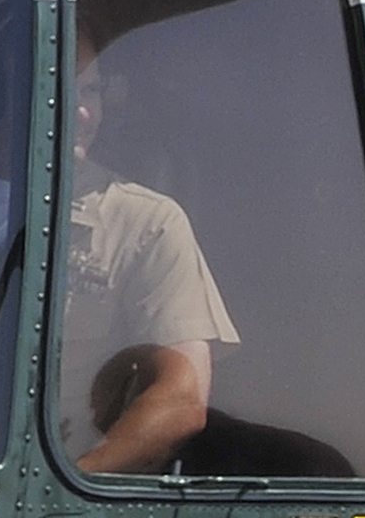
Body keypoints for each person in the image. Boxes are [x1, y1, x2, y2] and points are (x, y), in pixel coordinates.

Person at [59, 26, 235, 473]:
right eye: (58, 86)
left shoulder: (148, 223)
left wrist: (66, 489)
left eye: (92, 91)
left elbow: (182, 399)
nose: (83, 113)